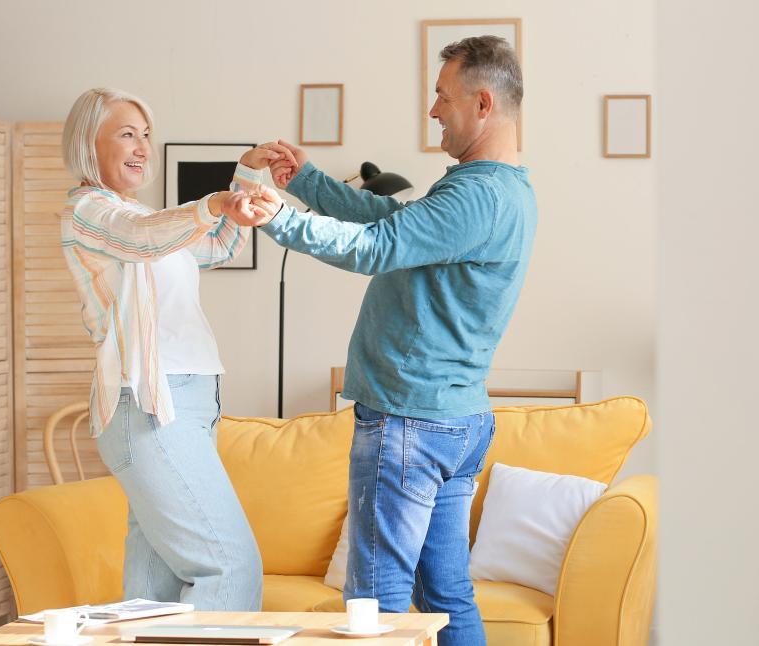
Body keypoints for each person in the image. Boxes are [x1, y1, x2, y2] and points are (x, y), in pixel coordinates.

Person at [230, 36, 537, 646]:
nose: (432, 112)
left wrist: (280, 218)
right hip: (454, 420)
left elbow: (376, 248)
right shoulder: (500, 191)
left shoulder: (475, 196)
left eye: (440, 97)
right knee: (446, 597)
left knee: (374, 602)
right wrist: (308, 183)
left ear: (482, 103)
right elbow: (389, 222)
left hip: (409, 422)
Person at [59, 87, 278, 610]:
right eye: (127, 134)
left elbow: (217, 244)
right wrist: (214, 203)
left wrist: (244, 179)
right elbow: (142, 237)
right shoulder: (90, 212)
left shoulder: (143, 216)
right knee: (229, 566)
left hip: (189, 405)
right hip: (149, 407)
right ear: (90, 142)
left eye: (147, 135)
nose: (142, 147)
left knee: (154, 596)